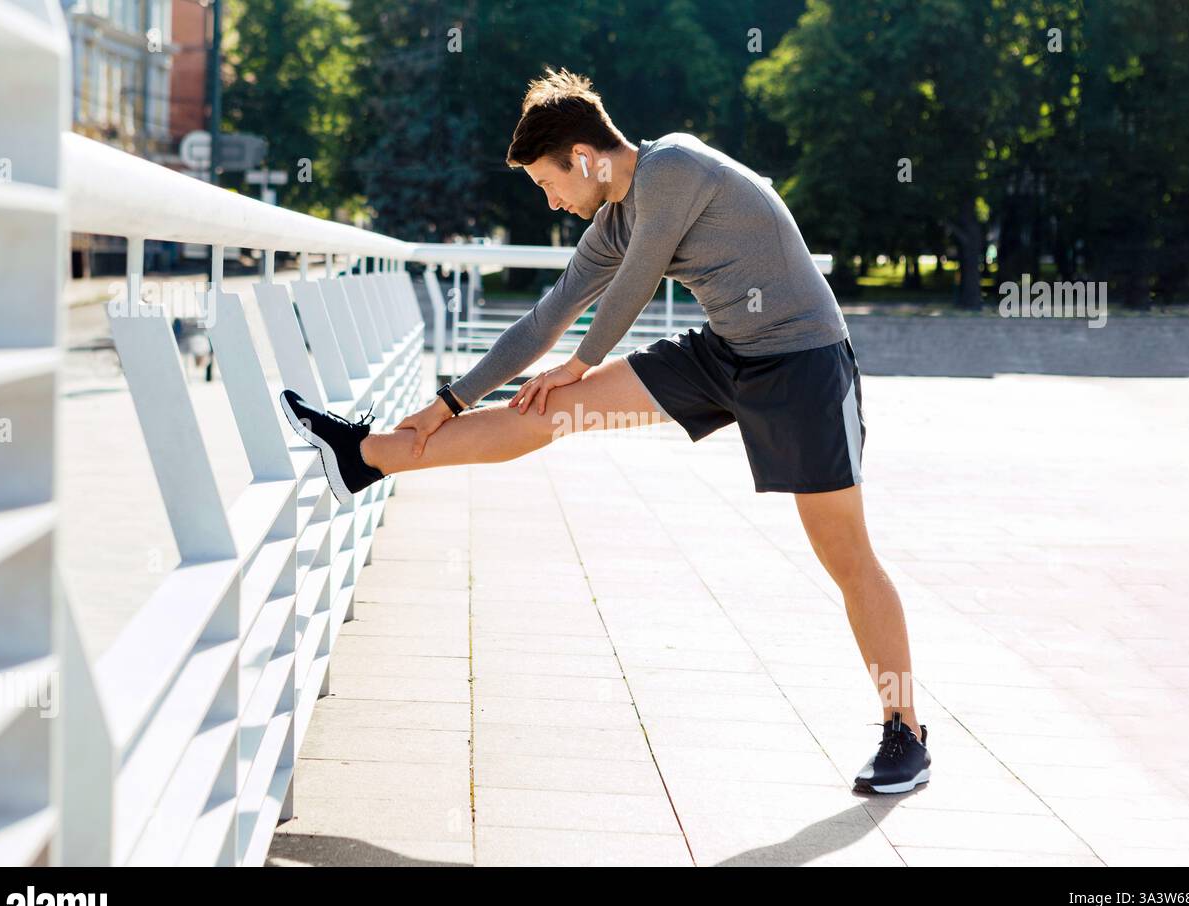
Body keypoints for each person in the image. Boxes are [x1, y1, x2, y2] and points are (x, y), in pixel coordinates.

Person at [279, 67, 929, 794]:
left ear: (584, 157)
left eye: (548, 184)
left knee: (847, 557)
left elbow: (639, 281)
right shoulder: (611, 223)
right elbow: (542, 319)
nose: (552, 201)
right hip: (724, 354)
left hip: (805, 362)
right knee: (551, 410)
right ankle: (368, 456)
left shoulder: (673, 166)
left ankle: (905, 731)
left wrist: (582, 361)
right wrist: (449, 401)